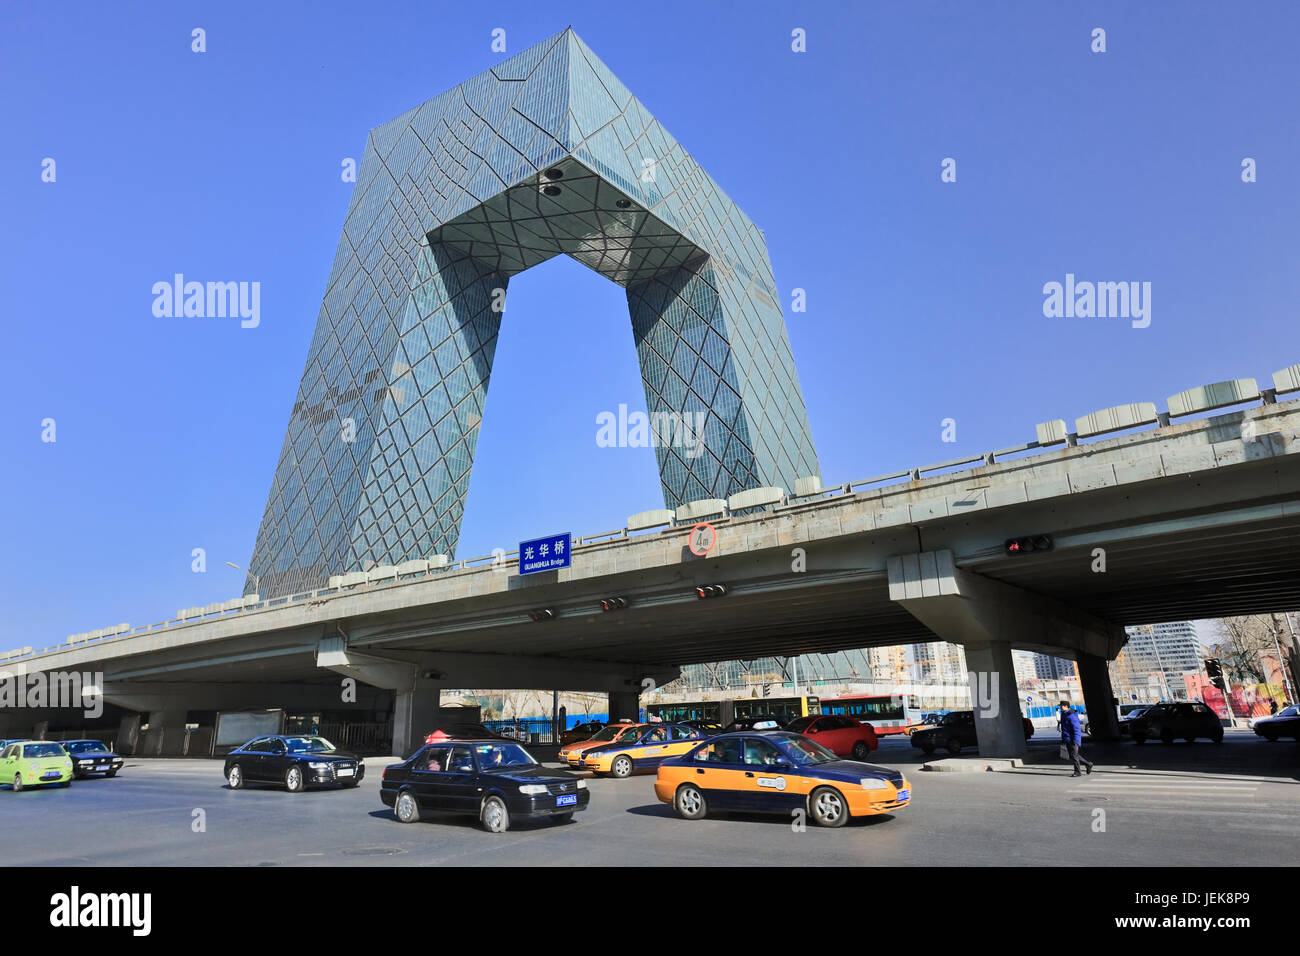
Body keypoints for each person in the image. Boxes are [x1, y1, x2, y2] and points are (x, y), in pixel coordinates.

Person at [1059, 701, 1092, 777]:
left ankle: (1077, 772)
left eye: (1061, 706)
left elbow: (1076, 728)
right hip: (1067, 739)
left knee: (1074, 756)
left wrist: (1076, 740)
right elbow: (1064, 728)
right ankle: (1088, 764)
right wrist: (1063, 739)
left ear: (1066, 706)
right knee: (1073, 755)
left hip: (1073, 739)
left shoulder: (1071, 715)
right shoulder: (1064, 714)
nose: (1060, 707)